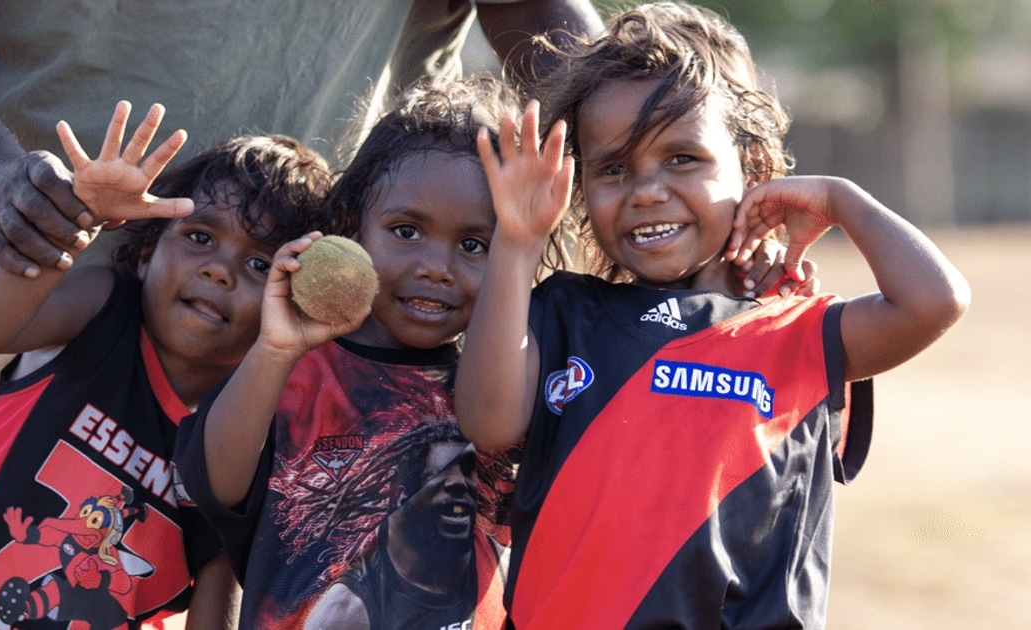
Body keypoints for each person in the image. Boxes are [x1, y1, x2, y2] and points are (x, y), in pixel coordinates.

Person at [0, 1, 604, 626]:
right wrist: (7, 188)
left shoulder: (362, 380)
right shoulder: (96, 295)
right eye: (198, 237)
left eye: (473, 244)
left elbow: (219, 566)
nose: (438, 261)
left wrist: (682, 176)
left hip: (287, 343)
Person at [455, 3, 972, 628]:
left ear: (752, 171)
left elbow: (936, 301)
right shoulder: (562, 311)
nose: (646, 190)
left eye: (682, 159)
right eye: (614, 168)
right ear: (580, 186)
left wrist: (839, 196)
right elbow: (487, 423)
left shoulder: (793, 329)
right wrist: (516, 242)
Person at [0, 103, 333, 627]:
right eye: (200, 237)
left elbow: (218, 595)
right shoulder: (101, 310)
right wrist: (78, 214)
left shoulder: (243, 440)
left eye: (260, 264)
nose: (219, 270)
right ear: (146, 253)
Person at [172, 77, 522, 629]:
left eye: (474, 245)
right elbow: (215, 484)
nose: (437, 267)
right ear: (347, 226)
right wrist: (274, 351)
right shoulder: (296, 373)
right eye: (406, 231)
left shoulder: (506, 389)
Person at [303, 425, 509, 630]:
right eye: (440, 473)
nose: (458, 483)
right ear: (404, 496)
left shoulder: (505, 570)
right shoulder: (346, 612)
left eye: (467, 470)